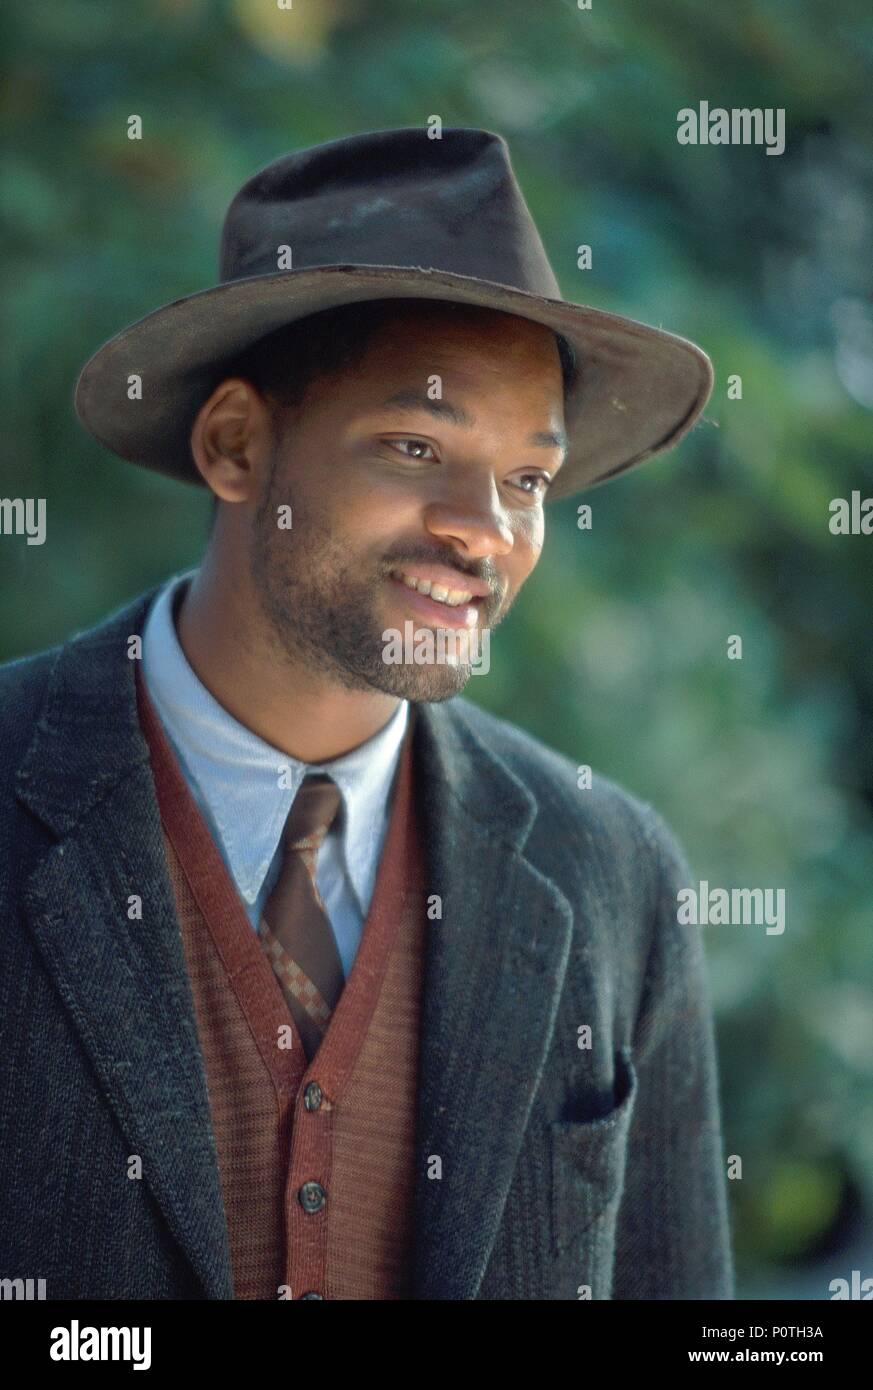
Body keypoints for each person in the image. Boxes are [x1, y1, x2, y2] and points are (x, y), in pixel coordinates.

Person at [0, 126, 733, 1300]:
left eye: (529, 479)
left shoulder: (615, 874)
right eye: (416, 445)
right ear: (237, 444)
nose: (484, 528)